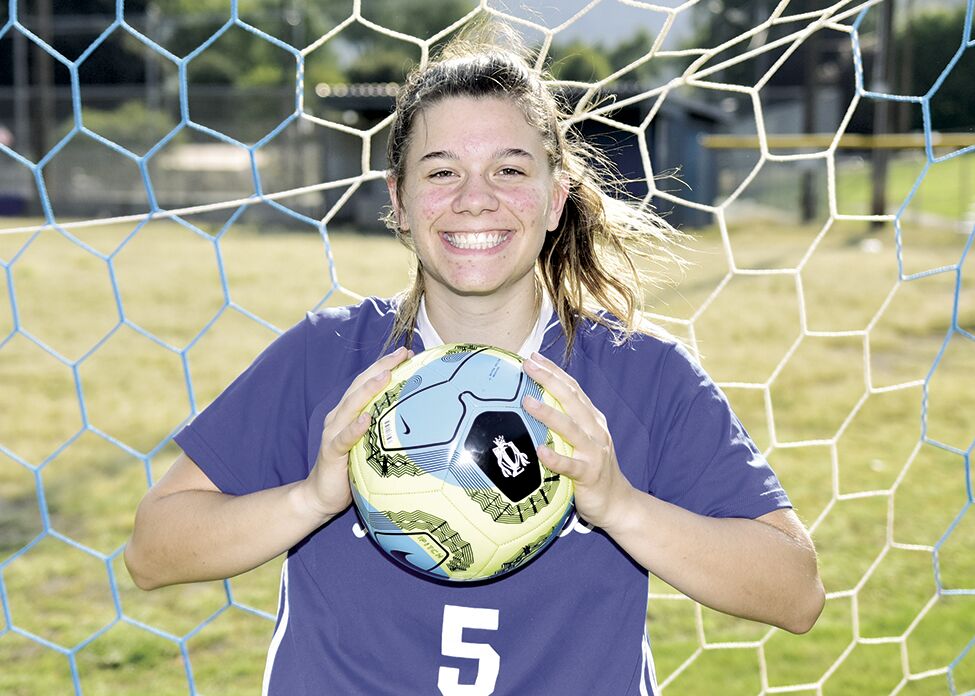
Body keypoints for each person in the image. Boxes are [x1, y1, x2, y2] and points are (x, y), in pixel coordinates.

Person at [125, 23, 824, 696]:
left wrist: (621, 506)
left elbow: (795, 593)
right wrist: (311, 498)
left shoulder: (642, 373)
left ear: (555, 199)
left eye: (509, 169)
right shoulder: (330, 357)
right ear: (398, 202)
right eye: (441, 171)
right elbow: (152, 552)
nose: (474, 200)